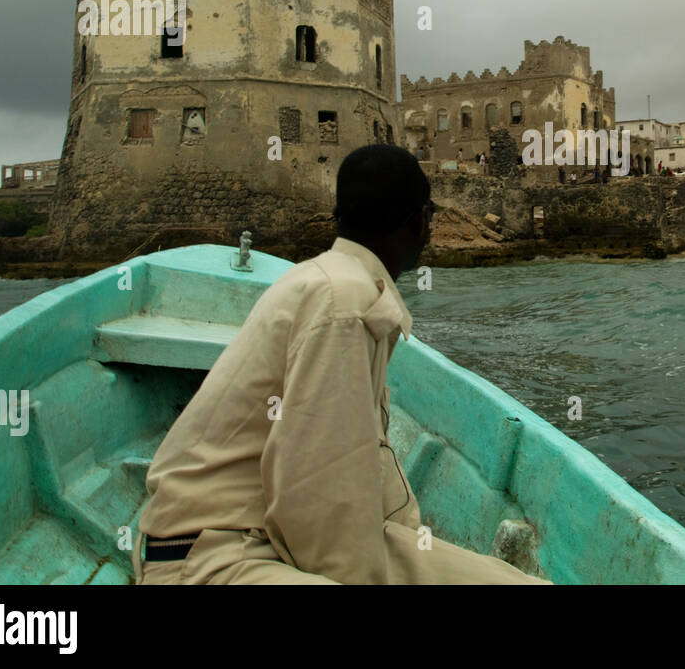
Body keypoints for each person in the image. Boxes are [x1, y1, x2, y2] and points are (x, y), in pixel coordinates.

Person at [134, 145, 547, 585]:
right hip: (211, 553)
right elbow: (316, 500)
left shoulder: (332, 281)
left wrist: (406, 544)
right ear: (421, 220)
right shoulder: (343, 304)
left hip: (267, 539)